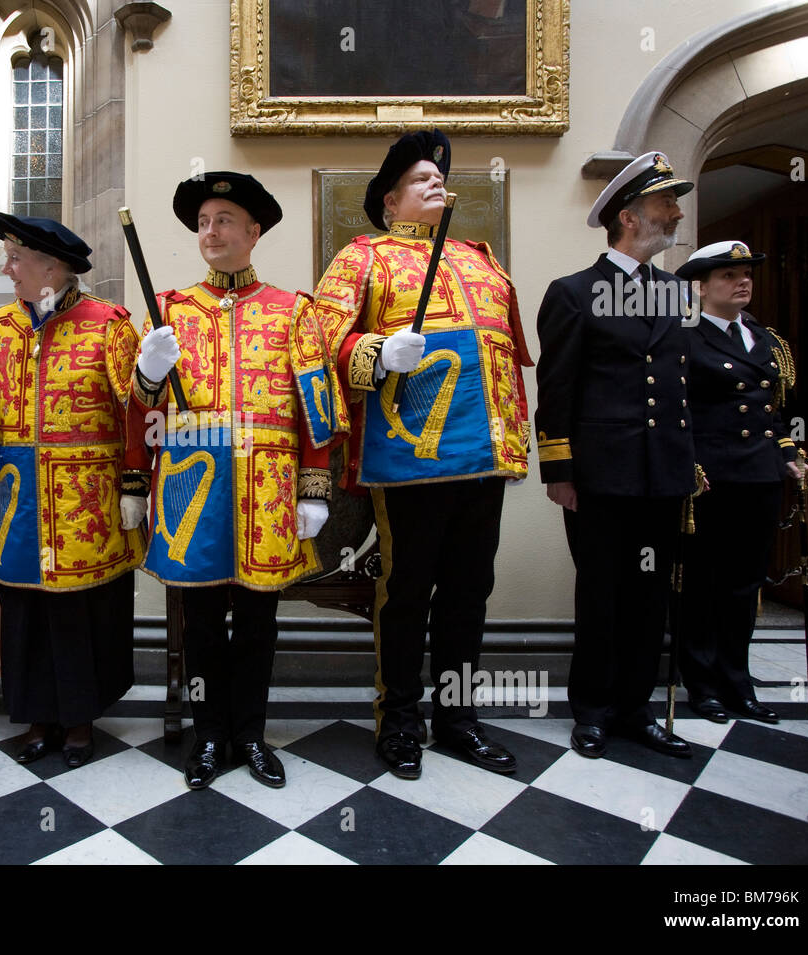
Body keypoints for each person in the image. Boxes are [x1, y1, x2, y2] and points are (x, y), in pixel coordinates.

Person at [309, 132, 532, 780]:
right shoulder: (363, 257)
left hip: (481, 455)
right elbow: (321, 338)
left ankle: (459, 719)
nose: (437, 183)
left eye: (440, 176)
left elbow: (507, 355)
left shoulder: (482, 260)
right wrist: (374, 352)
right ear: (389, 199)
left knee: (470, 590)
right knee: (406, 590)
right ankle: (400, 717)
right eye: (420, 178)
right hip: (408, 457)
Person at [129, 172, 335, 790]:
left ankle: (251, 732)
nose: (209, 232)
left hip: (267, 488)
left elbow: (316, 406)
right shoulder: (169, 309)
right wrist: (147, 373)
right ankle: (208, 733)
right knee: (198, 619)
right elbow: (142, 410)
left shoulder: (293, 310)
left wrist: (313, 486)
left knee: (257, 621)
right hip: (192, 488)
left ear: (254, 230)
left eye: (223, 220)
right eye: (202, 223)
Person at [0, 212, 141, 769]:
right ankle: (37, 716)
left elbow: (137, 410)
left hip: (85, 497)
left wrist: (133, 483)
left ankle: (79, 719)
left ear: (54, 267)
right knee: (23, 608)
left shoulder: (109, 325)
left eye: (16, 258)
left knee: (78, 611)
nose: (7, 268)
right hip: (19, 496)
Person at [534, 150, 697, 759]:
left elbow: (684, 385)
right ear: (630, 217)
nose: (676, 212)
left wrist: (690, 463)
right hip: (601, 478)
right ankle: (594, 709)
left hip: (663, 475)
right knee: (600, 594)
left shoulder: (676, 294)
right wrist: (559, 470)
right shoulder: (574, 294)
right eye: (666, 204)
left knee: (651, 596)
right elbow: (557, 390)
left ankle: (637, 708)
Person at [676, 241, 800, 725]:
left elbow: (776, 410)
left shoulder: (765, 339)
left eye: (746, 273)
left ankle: (737, 681)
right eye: (729, 275)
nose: (742, 281)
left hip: (760, 475)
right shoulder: (683, 337)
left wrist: (789, 454)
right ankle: (702, 684)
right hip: (710, 478)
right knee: (702, 582)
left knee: (744, 584)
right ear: (702, 286)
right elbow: (674, 409)